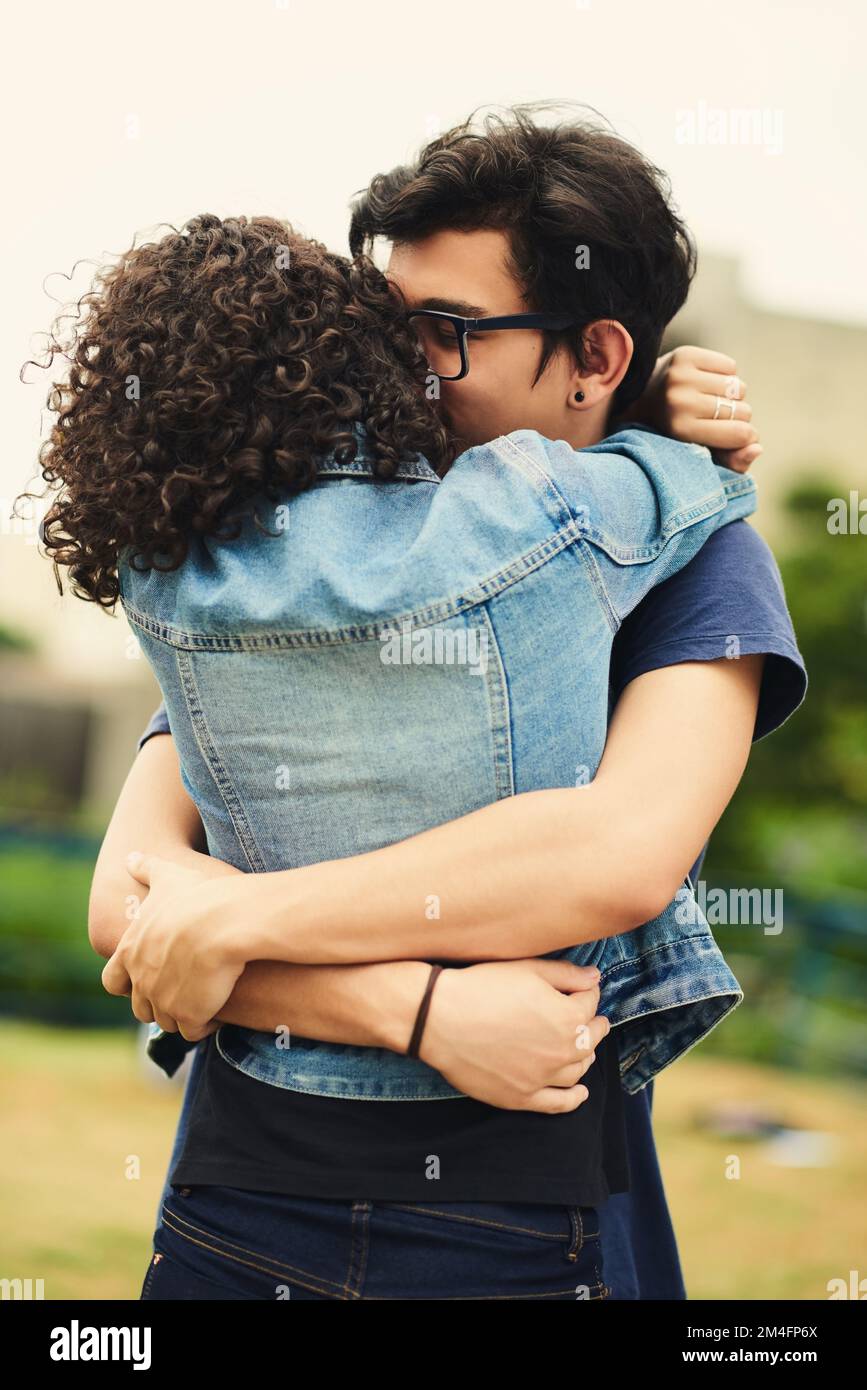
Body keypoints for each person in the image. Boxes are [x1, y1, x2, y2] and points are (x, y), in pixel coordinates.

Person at [45, 109, 806, 1299]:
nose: (401, 378)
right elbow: (129, 899)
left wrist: (240, 920)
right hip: (244, 1186)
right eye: (381, 333)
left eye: (447, 335)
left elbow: (615, 858)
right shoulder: (294, 570)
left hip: (517, 1192)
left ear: (597, 358)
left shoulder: (706, 562)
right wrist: (420, 1009)